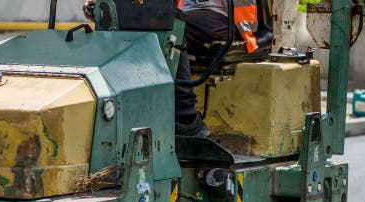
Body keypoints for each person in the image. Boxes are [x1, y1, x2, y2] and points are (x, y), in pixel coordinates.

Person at [83, 0, 259, 138]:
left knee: (174, 29)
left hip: (227, 16)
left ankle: (187, 117)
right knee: (131, 23)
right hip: (187, 13)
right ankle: (131, 106)